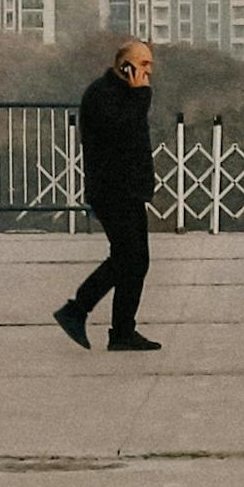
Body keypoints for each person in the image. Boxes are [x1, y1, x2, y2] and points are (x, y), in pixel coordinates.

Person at [58, 38, 160, 351]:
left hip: (129, 189)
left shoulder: (125, 95)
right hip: (112, 191)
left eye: (149, 65)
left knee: (134, 260)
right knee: (129, 258)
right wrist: (141, 95)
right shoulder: (103, 95)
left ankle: (120, 330)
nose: (147, 72)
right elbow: (122, 132)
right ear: (123, 65)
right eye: (141, 64)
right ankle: (79, 310)